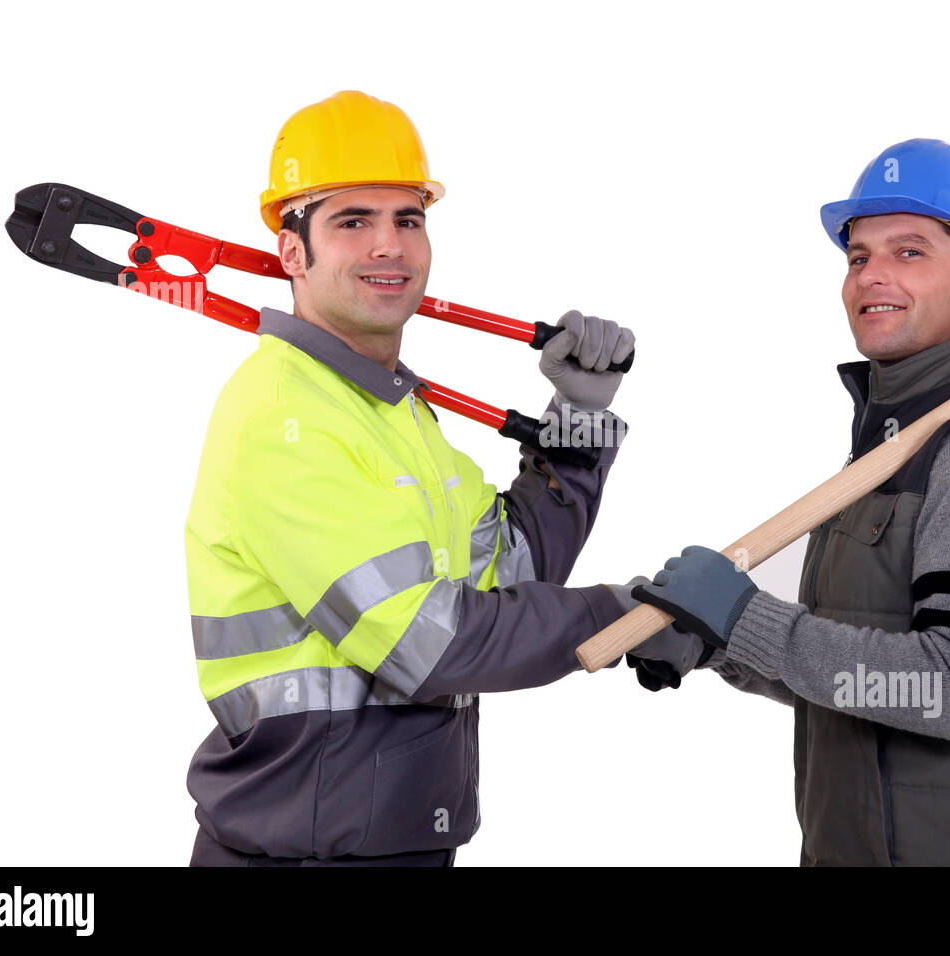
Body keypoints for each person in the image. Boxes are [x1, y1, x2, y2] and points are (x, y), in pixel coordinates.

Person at [185, 91, 637, 866]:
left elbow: (516, 573)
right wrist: (628, 613)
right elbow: (430, 645)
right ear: (293, 253)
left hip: (399, 843)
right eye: (352, 221)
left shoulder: (397, 416)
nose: (388, 246)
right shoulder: (284, 417)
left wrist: (578, 421)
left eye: (408, 219)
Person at [624, 139, 950, 866]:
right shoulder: (897, 442)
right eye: (857, 256)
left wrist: (746, 615)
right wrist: (719, 641)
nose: (870, 276)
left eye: (909, 252)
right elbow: (863, 677)